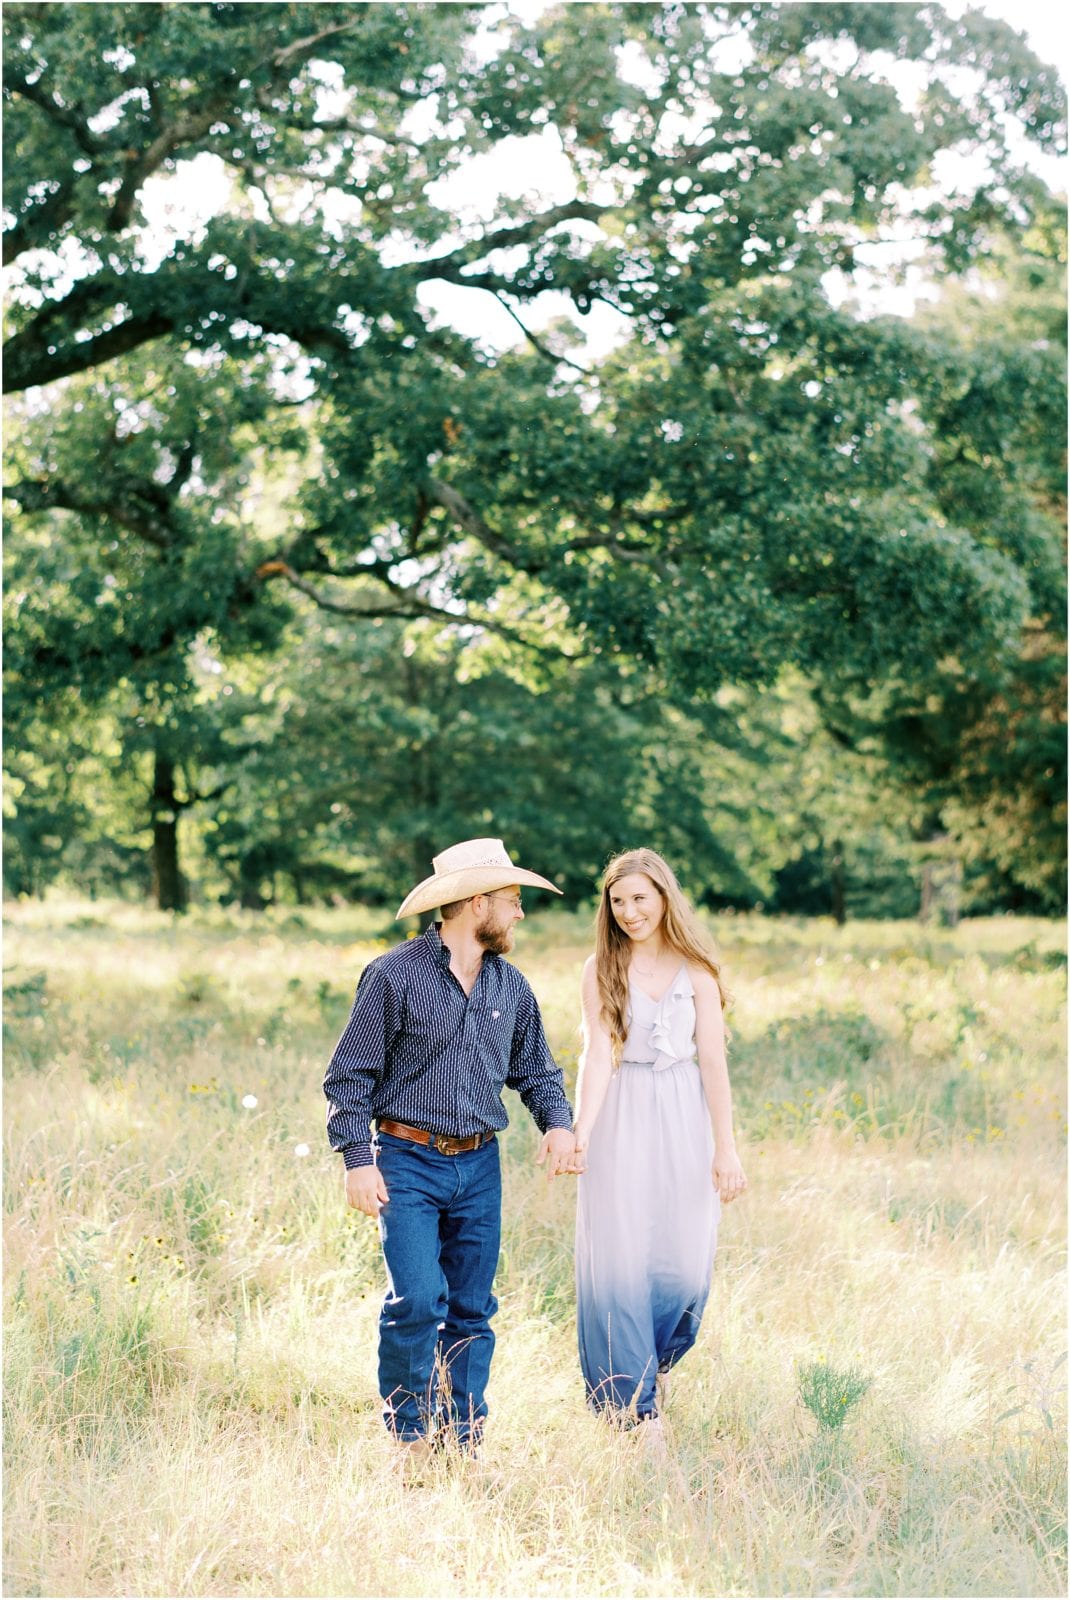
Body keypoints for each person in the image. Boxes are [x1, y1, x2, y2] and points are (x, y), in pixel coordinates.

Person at [324, 838, 577, 1462]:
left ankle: (461, 1440)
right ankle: (408, 1437)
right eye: (513, 901)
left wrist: (558, 1126)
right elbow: (349, 1075)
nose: (520, 914)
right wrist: (358, 1159)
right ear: (475, 902)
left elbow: (536, 1071)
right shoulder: (393, 975)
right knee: (415, 1298)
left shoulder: (511, 986)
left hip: (480, 1164)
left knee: (470, 1307)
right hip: (405, 1159)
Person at [571, 848, 746, 1435]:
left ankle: (658, 1363)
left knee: (684, 1261)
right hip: (622, 1113)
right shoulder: (601, 969)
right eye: (617, 901)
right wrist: (582, 1134)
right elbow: (598, 1056)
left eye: (639, 898)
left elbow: (715, 1064)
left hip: (683, 1114)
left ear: (664, 897)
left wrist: (726, 1148)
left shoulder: (698, 970)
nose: (628, 911)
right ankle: (635, 1406)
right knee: (621, 1257)